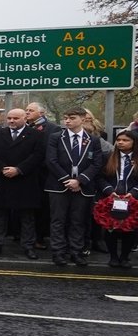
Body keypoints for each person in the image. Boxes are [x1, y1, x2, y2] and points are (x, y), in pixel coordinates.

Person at [44, 107, 101, 267]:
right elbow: (51, 161)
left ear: (83, 119)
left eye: (72, 118)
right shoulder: (56, 137)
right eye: (66, 118)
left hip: (82, 187)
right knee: (58, 220)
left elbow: (96, 164)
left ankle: (76, 251)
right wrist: (67, 179)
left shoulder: (92, 140)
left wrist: (80, 180)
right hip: (59, 185)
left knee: (78, 221)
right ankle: (58, 252)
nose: (67, 121)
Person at [0, 108, 45, 258]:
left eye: (15, 118)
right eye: (9, 118)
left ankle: (28, 246)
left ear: (25, 118)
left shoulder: (36, 135)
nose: (11, 121)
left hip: (25, 180)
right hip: (2, 179)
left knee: (27, 217)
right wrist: (2, 168)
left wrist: (18, 169)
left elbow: (38, 155)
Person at [95, 129, 137, 268]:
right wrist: (109, 191)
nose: (120, 143)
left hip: (131, 199)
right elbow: (100, 177)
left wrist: (133, 192)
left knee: (129, 229)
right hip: (112, 198)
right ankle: (113, 257)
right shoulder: (108, 157)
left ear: (134, 142)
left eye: (125, 140)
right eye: (118, 140)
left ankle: (124, 257)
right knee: (111, 228)